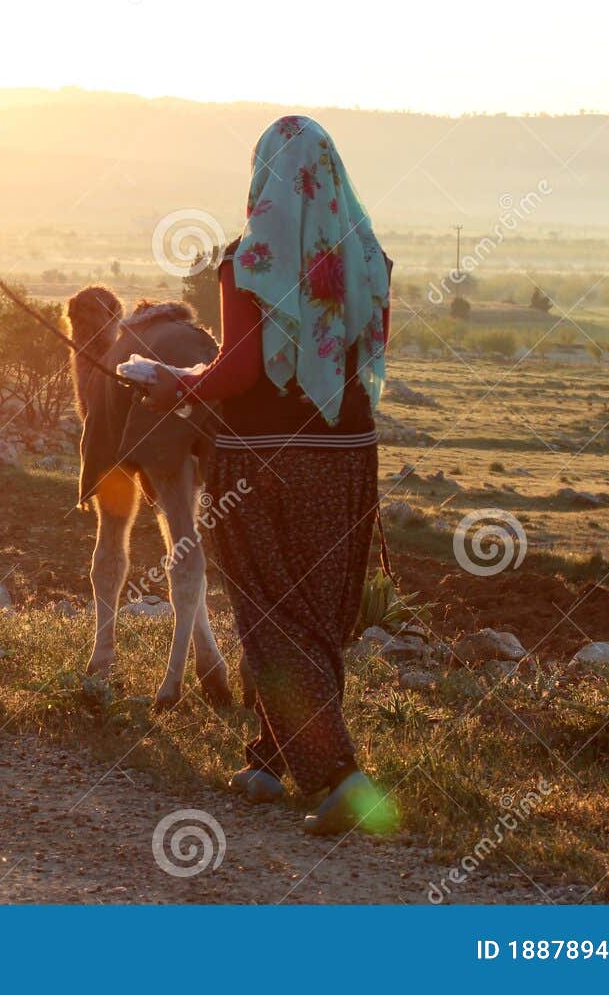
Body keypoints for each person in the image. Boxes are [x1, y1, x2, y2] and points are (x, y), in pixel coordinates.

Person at [140, 115, 396, 836]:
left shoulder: (245, 261)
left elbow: (242, 369)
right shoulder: (368, 257)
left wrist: (178, 382)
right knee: (315, 615)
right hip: (348, 457)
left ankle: (339, 777)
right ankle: (268, 759)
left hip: (265, 455)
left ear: (263, 178)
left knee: (271, 615)